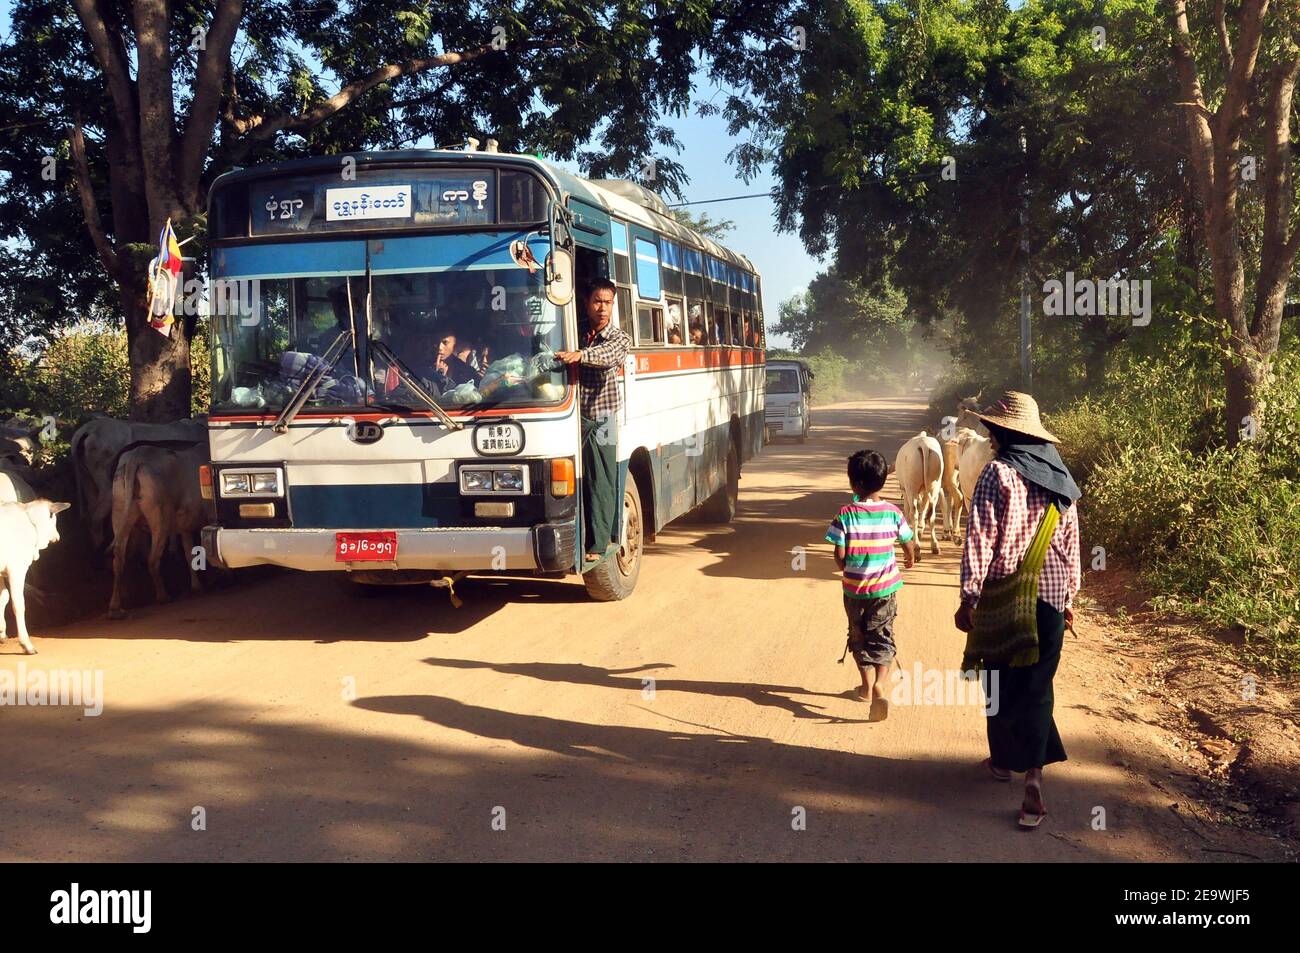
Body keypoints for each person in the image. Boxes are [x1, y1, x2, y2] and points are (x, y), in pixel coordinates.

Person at [955, 390, 1082, 829]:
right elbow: (1071, 548)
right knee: (1037, 686)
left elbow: (981, 539)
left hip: (1002, 599)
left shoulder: (997, 474)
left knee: (998, 680)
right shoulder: (1061, 480)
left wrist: (969, 596)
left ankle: (1003, 762)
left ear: (1003, 433)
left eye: (994, 429)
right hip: (1048, 600)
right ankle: (1033, 779)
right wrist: (1069, 600)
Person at [825, 449, 918, 722]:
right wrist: (910, 556)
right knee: (883, 634)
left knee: (858, 636)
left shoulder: (844, 515)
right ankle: (880, 684)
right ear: (883, 480)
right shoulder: (892, 512)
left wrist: (846, 569)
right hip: (885, 590)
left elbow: (839, 556)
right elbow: (907, 542)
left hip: (854, 590)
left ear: (853, 483)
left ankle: (865, 688)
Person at [555, 279, 632, 563]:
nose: (603, 308)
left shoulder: (618, 338)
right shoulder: (575, 332)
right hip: (576, 418)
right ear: (587, 303)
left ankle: (599, 544)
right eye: (598, 302)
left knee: (602, 481)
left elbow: (607, 357)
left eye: (608, 302)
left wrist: (581, 356)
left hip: (604, 420)